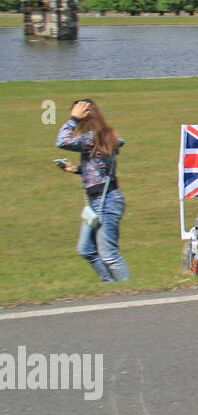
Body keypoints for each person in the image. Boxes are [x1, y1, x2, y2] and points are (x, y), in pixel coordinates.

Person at [55, 99, 129, 282]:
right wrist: (76, 169)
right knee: (86, 249)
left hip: (107, 201)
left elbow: (61, 141)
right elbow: (100, 170)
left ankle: (126, 292)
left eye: (80, 117)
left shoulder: (92, 138)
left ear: (86, 115)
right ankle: (110, 285)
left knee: (109, 255)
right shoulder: (100, 137)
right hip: (98, 201)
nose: (77, 123)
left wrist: (72, 119)